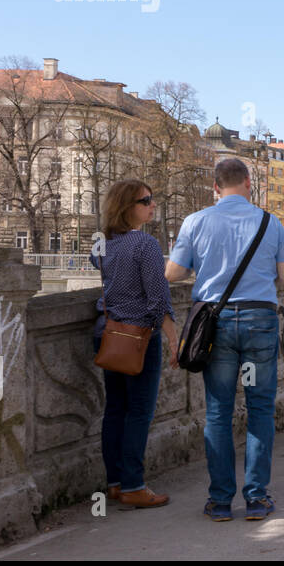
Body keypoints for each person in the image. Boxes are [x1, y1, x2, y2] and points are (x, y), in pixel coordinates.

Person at [166, 158, 284, 522]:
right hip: (258, 322)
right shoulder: (271, 224)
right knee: (259, 408)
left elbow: (173, 273)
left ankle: (220, 501)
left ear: (215, 187)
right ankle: (256, 498)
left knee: (219, 411)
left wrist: (207, 264)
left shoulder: (196, 221)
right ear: (248, 184)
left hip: (216, 326)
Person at [91, 179, 179, 508]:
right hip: (138, 337)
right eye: (146, 201)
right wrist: (173, 339)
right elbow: (158, 300)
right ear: (127, 207)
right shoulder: (145, 244)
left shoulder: (101, 244)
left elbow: (99, 269)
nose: (152, 205)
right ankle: (134, 486)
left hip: (108, 334)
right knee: (139, 412)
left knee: (114, 410)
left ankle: (115, 483)